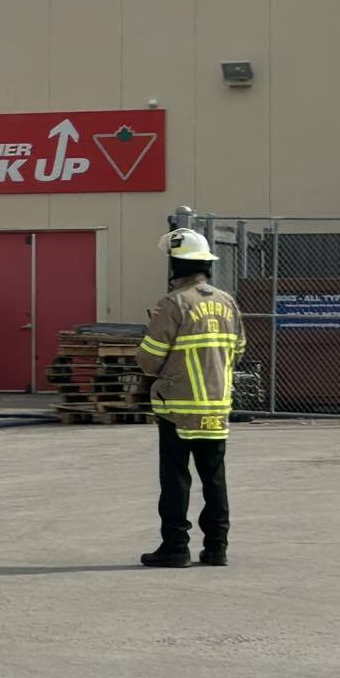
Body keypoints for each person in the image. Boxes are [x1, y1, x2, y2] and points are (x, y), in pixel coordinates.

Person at [134, 229, 244, 567]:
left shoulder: (173, 304)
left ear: (176, 264)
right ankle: (217, 548)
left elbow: (150, 360)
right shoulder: (227, 303)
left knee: (176, 478)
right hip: (216, 408)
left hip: (177, 409)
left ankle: (175, 547)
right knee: (214, 479)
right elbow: (238, 350)